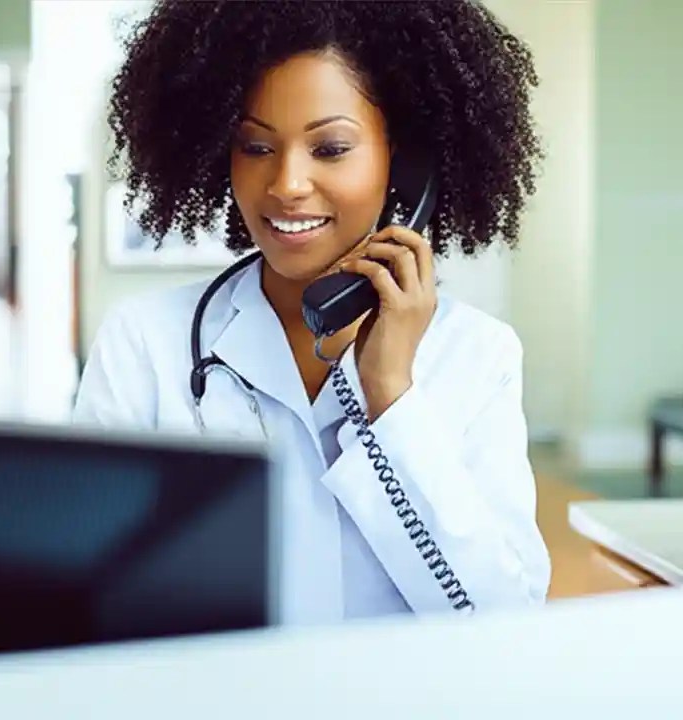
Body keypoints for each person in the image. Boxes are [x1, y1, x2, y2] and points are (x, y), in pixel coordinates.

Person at [73, 0, 551, 623]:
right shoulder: (144, 343)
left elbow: (502, 618)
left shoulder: (477, 353)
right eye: (255, 146)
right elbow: (90, 592)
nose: (286, 184)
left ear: (404, 164)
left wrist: (392, 397)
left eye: (329, 148)